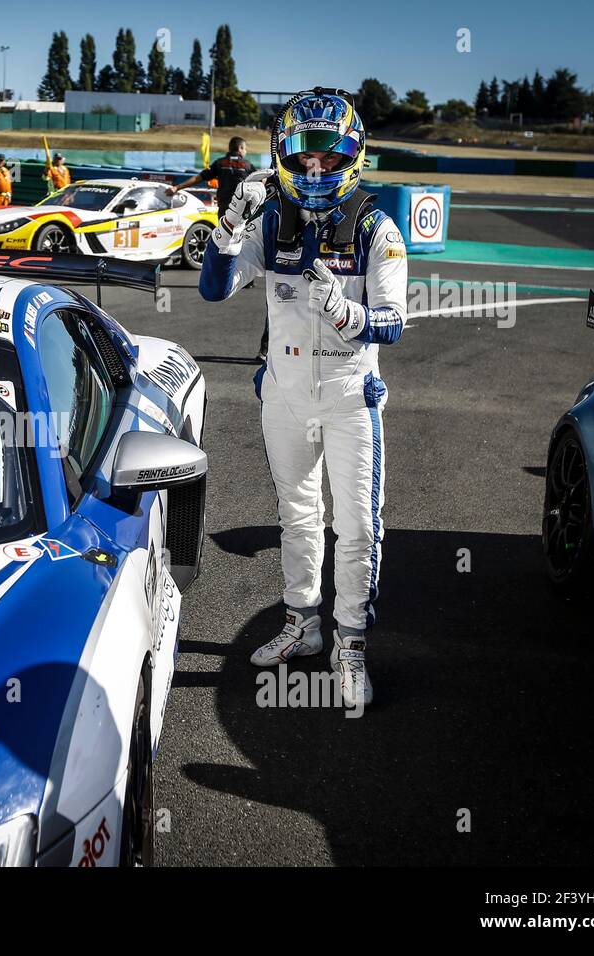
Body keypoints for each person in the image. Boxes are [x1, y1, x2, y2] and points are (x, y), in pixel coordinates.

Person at [198, 91, 408, 706]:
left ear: (354, 156)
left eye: (328, 157)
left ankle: (351, 643)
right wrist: (229, 226)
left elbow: (395, 322)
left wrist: (347, 313)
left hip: (349, 392)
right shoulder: (269, 220)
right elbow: (215, 290)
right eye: (302, 157)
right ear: (283, 156)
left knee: (358, 527)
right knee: (297, 515)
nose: (314, 170)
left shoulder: (376, 225)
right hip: (283, 393)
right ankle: (302, 624)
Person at [169, 136, 269, 357]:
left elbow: (199, 177)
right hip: (249, 214)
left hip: (226, 213)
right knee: (249, 243)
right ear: (241, 148)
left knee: (225, 244)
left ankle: (233, 273)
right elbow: (261, 185)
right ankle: (246, 277)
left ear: (228, 148)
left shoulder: (219, 163)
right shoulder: (247, 166)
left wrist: (177, 187)